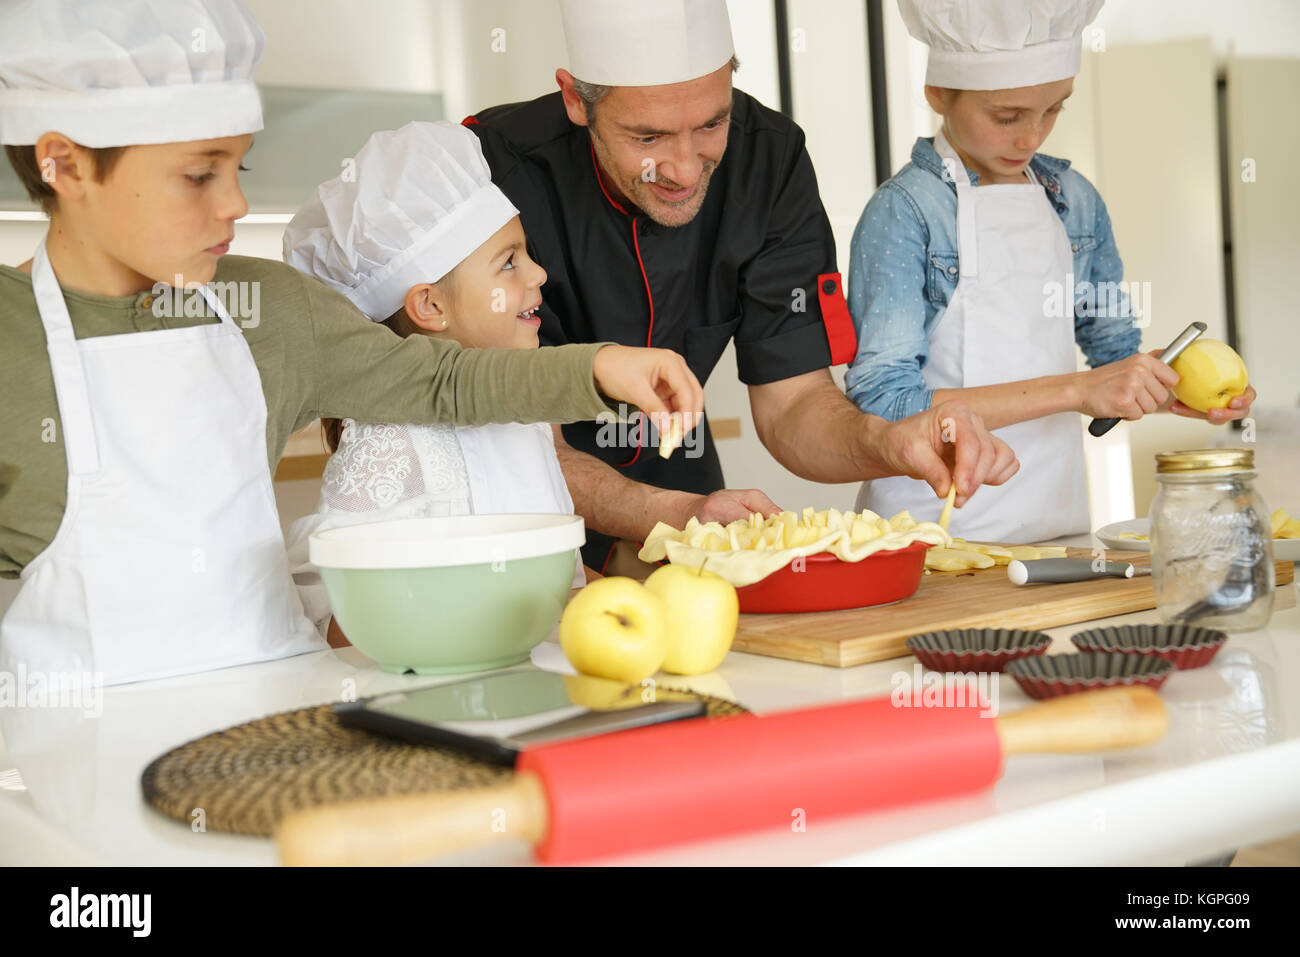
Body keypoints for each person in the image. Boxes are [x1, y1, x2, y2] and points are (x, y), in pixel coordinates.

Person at [0, 0, 703, 686]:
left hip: (273, 724)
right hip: (76, 759)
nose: (236, 205)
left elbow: (441, 384)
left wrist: (601, 366)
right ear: (66, 165)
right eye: (197, 174)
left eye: (238, 170)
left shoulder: (271, 310)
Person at [465, 0, 1019, 574]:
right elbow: (517, 436)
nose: (682, 168)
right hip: (518, 518)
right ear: (577, 101)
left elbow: (795, 403)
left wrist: (888, 443)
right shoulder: (490, 169)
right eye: (648, 136)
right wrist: (673, 516)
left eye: (711, 123)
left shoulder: (768, 160)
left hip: (687, 492)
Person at [847, 0, 1256, 542]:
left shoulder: (1076, 203)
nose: (1033, 137)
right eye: (1008, 116)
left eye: (1054, 109)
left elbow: (1113, 355)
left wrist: (1165, 384)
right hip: (926, 532)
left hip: (1055, 525)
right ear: (939, 93)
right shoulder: (905, 212)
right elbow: (884, 402)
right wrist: (1078, 390)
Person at [282, 121, 593, 640]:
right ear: (430, 305)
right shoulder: (391, 443)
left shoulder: (527, 421)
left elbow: (563, 588)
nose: (538, 275)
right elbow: (346, 627)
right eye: (509, 263)